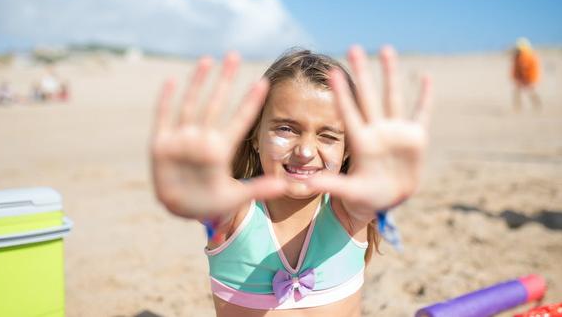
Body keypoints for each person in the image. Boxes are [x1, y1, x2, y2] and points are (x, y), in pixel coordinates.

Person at [150, 45, 431, 316]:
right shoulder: (235, 212)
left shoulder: (349, 213)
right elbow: (214, 201)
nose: (305, 151)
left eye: (328, 136)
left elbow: (366, 202)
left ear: (347, 151)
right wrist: (198, 194)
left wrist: (382, 191)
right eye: (286, 128)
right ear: (255, 136)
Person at [512, 37, 541, 111]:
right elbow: (516, 69)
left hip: (529, 78)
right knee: (517, 92)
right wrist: (517, 78)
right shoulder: (518, 57)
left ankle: (537, 105)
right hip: (521, 78)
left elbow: (532, 69)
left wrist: (529, 79)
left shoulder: (529, 56)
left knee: (531, 92)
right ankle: (518, 107)